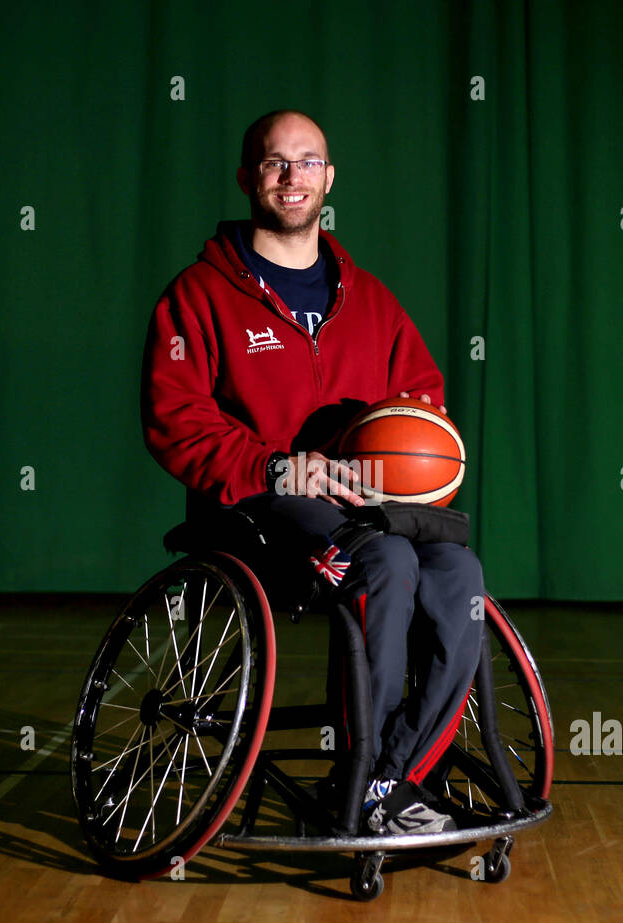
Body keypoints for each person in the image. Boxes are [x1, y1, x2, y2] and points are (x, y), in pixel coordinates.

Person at [141, 110, 484, 835]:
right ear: (248, 178)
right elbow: (175, 419)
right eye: (275, 163)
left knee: (458, 574)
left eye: (307, 162)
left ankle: (396, 773)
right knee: (385, 560)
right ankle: (359, 779)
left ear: (329, 178)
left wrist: (403, 452)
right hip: (260, 503)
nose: (292, 177)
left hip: (367, 498)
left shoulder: (370, 299)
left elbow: (422, 395)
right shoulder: (198, 296)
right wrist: (273, 465)